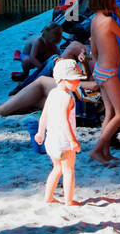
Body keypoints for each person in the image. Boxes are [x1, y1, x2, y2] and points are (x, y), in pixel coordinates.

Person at [87, 0, 120, 165]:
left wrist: (95, 70)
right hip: (109, 73)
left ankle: (104, 152)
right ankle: (97, 149)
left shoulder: (94, 20)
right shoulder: (108, 21)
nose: (116, 2)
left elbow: (94, 49)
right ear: (108, 0)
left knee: (110, 112)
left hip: (100, 70)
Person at [35, 59, 85, 205]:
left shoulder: (52, 94)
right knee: (68, 170)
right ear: (63, 79)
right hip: (63, 142)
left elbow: (44, 114)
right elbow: (64, 120)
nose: (78, 83)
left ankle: (48, 197)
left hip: (51, 140)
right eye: (75, 80)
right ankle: (69, 200)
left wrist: (40, 132)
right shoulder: (67, 98)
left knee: (57, 169)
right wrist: (72, 140)